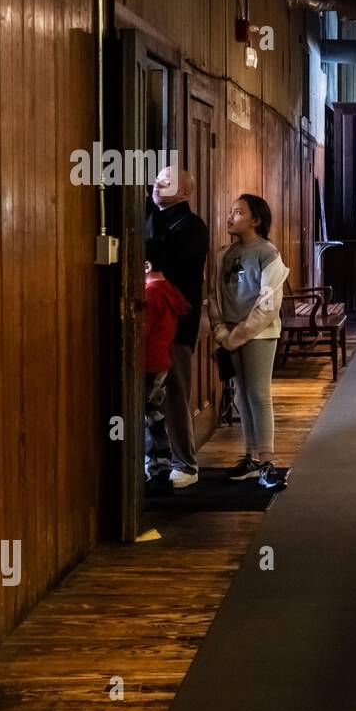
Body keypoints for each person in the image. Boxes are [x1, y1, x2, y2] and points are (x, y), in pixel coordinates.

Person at [207, 194, 289, 490]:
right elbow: (214, 295)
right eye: (230, 212)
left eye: (238, 212)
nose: (231, 217)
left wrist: (236, 335)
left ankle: (267, 463)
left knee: (258, 395)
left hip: (259, 333)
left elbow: (268, 304)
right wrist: (220, 331)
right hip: (229, 334)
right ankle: (251, 457)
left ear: (255, 220)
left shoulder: (268, 253)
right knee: (241, 395)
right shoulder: (223, 254)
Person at [147, 166, 209, 489]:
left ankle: (186, 463)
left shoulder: (192, 226)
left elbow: (169, 270)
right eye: (157, 179)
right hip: (146, 320)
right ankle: (154, 456)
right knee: (147, 394)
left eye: (166, 181)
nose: (157, 184)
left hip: (176, 322)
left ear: (185, 192)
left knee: (175, 390)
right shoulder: (151, 217)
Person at [143, 237, 190, 490]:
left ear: (146, 266)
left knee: (147, 419)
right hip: (162, 362)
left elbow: (140, 331)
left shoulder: (151, 295)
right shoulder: (168, 289)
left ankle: (153, 469)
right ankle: (160, 466)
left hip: (147, 364)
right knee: (156, 416)